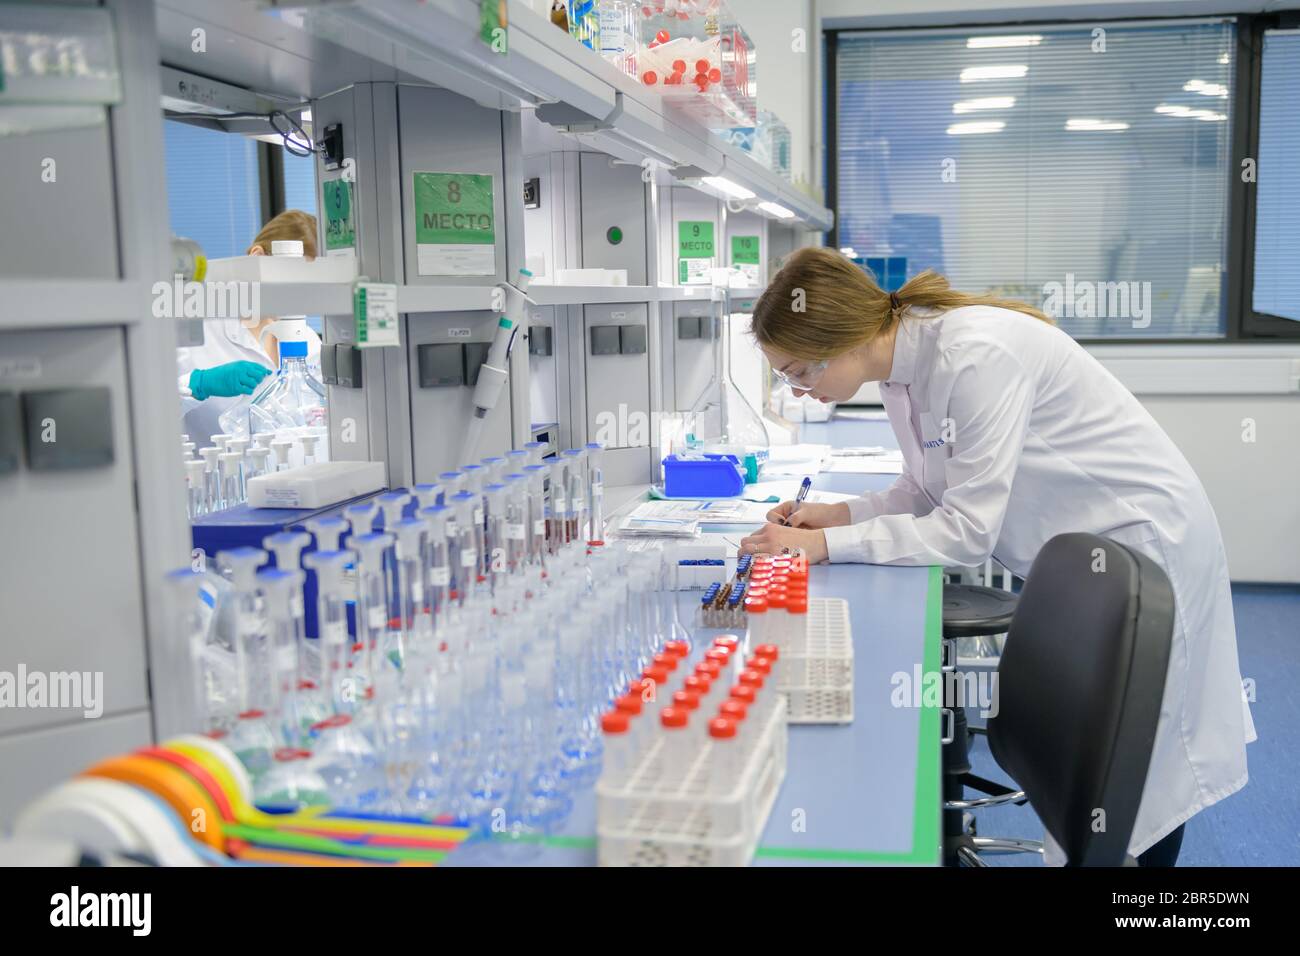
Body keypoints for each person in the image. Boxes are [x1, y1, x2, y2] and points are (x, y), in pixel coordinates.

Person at [739, 246, 1254, 867]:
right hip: (1080, 559)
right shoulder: (902, 369)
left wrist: (822, 546)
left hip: (1145, 549)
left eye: (798, 371)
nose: (798, 388)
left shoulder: (972, 356)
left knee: (1137, 769)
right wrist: (836, 515)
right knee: (1093, 761)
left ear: (841, 337)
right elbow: (925, 490)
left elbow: (964, 531)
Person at [177, 210, 323, 446]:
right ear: (257, 258)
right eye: (295, 279)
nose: (299, 296)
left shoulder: (307, 339)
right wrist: (197, 385)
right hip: (218, 478)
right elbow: (148, 411)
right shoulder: (194, 327)